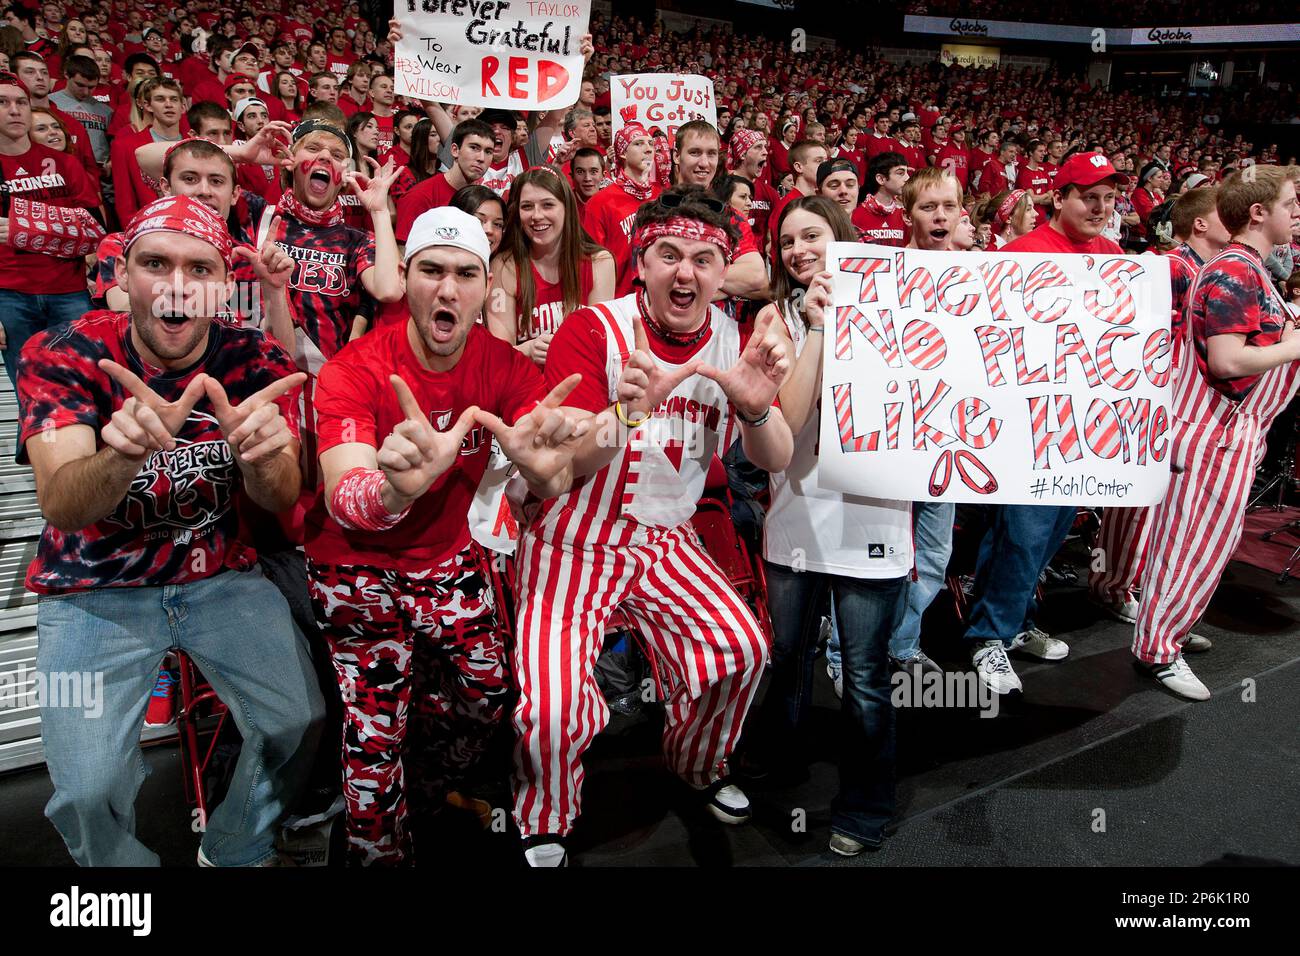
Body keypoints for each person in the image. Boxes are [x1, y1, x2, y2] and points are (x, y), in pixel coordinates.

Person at [18, 194, 324, 866]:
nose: (178, 285)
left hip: (220, 576)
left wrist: (265, 458)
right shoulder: (62, 351)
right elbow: (62, 504)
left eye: (200, 268)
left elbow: (281, 497)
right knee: (84, 787)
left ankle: (238, 846)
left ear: (224, 284)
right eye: (156, 263)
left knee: (297, 720)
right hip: (89, 588)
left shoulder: (256, 358)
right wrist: (122, 453)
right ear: (122, 275)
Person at [510, 186, 793, 866]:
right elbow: (567, 464)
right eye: (669, 254)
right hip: (571, 538)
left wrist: (756, 409)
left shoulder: (737, 342)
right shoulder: (592, 330)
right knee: (551, 708)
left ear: (725, 272)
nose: (686, 273)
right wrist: (628, 414)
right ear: (643, 257)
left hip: (666, 541)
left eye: (704, 258)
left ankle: (696, 764)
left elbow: (774, 457)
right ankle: (544, 813)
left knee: (743, 653)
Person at [307, 206, 590, 864]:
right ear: (406, 279)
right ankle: (376, 844)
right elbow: (345, 497)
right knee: (373, 741)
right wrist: (396, 488)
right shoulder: (352, 369)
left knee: (489, 696)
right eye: (431, 270)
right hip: (354, 571)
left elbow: (546, 471)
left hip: (446, 560)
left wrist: (542, 468)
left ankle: (423, 791)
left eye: (464, 274)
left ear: (485, 288)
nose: (447, 287)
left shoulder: (509, 370)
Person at [745, 195, 912, 857]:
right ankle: (778, 765)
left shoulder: (898, 304)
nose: (800, 251)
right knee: (786, 660)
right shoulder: (775, 317)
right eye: (787, 242)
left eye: (811, 235)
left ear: (839, 235)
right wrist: (816, 326)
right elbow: (786, 414)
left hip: (873, 518)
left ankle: (866, 805)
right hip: (795, 517)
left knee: (867, 677)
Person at [1133, 166, 1300, 700]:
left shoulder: (1249, 268)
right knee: (1190, 546)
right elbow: (1228, 361)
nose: (1297, 213)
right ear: (1258, 212)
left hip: (1228, 434)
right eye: (1290, 203)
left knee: (1201, 545)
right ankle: (1157, 649)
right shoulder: (1235, 270)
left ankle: (1164, 634)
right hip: (1212, 432)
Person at [965, 153, 1128, 695]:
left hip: (1082, 423)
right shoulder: (1020, 253)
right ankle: (990, 633)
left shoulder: (1111, 252)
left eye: (1109, 198)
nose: (1101, 208)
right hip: (1027, 421)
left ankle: (1008, 620)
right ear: (1058, 198)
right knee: (1022, 530)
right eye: (1089, 196)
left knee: (1052, 531)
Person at [1090, 185, 1229, 641]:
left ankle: (1141, 586)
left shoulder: (1214, 270)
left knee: (1162, 505)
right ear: (1200, 224)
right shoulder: (1170, 266)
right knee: (1134, 502)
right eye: (1221, 213)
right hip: (1153, 397)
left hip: (1186, 401)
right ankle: (1111, 583)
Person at [0, 70, 101, 387]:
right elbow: (78, 226)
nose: (15, 110)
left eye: (21, 102)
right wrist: (61, 225)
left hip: (69, 291)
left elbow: (94, 230)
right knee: (31, 399)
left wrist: (23, 227)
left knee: (81, 389)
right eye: (2, 102)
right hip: (10, 296)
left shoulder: (65, 164)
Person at [485, 166, 614, 365]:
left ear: (566, 208)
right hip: (527, 388)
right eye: (527, 206)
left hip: (580, 383)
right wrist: (526, 350)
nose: (536, 215)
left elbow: (601, 344)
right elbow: (497, 355)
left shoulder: (599, 262)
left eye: (547, 205)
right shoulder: (504, 266)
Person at [582, 121, 659, 297]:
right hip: (618, 302)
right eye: (638, 143)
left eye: (651, 144)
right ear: (623, 153)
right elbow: (590, 264)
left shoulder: (662, 196)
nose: (648, 149)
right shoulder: (599, 202)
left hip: (658, 302)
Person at [394, 119, 494, 246]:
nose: (481, 158)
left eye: (488, 152)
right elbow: (402, 251)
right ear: (454, 150)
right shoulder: (420, 196)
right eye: (474, 148)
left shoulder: (484, 198)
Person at [852, 151, 908, 246]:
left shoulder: (905, 216)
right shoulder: (856, 215)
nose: (907, 178)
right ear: (881, 179)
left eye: (907, 172)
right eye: (900, 173)